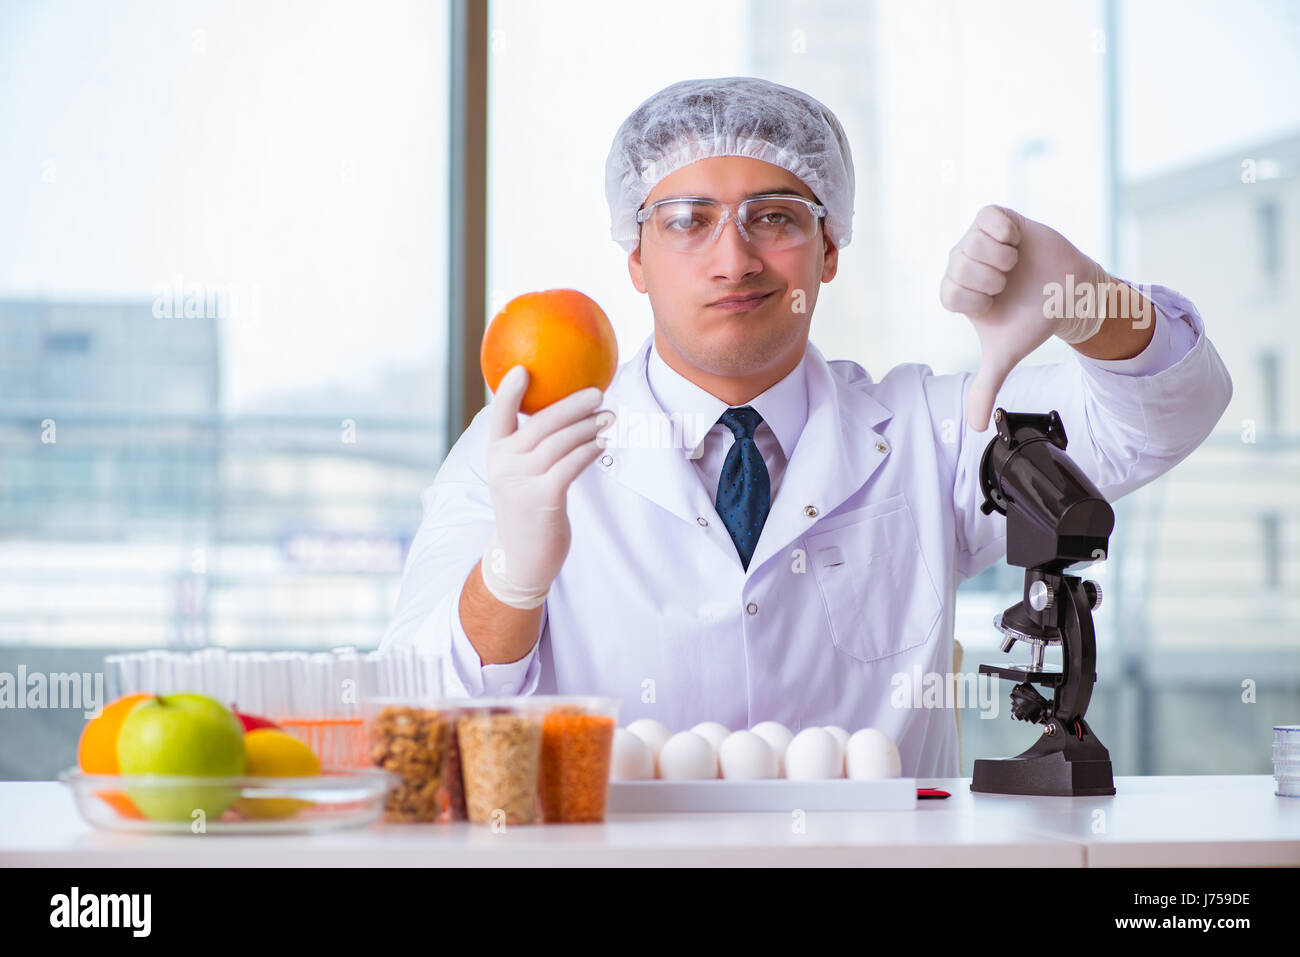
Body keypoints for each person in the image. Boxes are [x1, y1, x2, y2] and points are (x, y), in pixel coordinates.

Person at [381, 77, 1231, 777]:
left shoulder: (931, 431)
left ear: (830, 247)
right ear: (634, 257)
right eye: (687, 220)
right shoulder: (518, 455)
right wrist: (512, 581)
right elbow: (416, 723)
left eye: (776, 215)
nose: (735, 258)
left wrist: (1087, 302)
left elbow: (1165, 411)